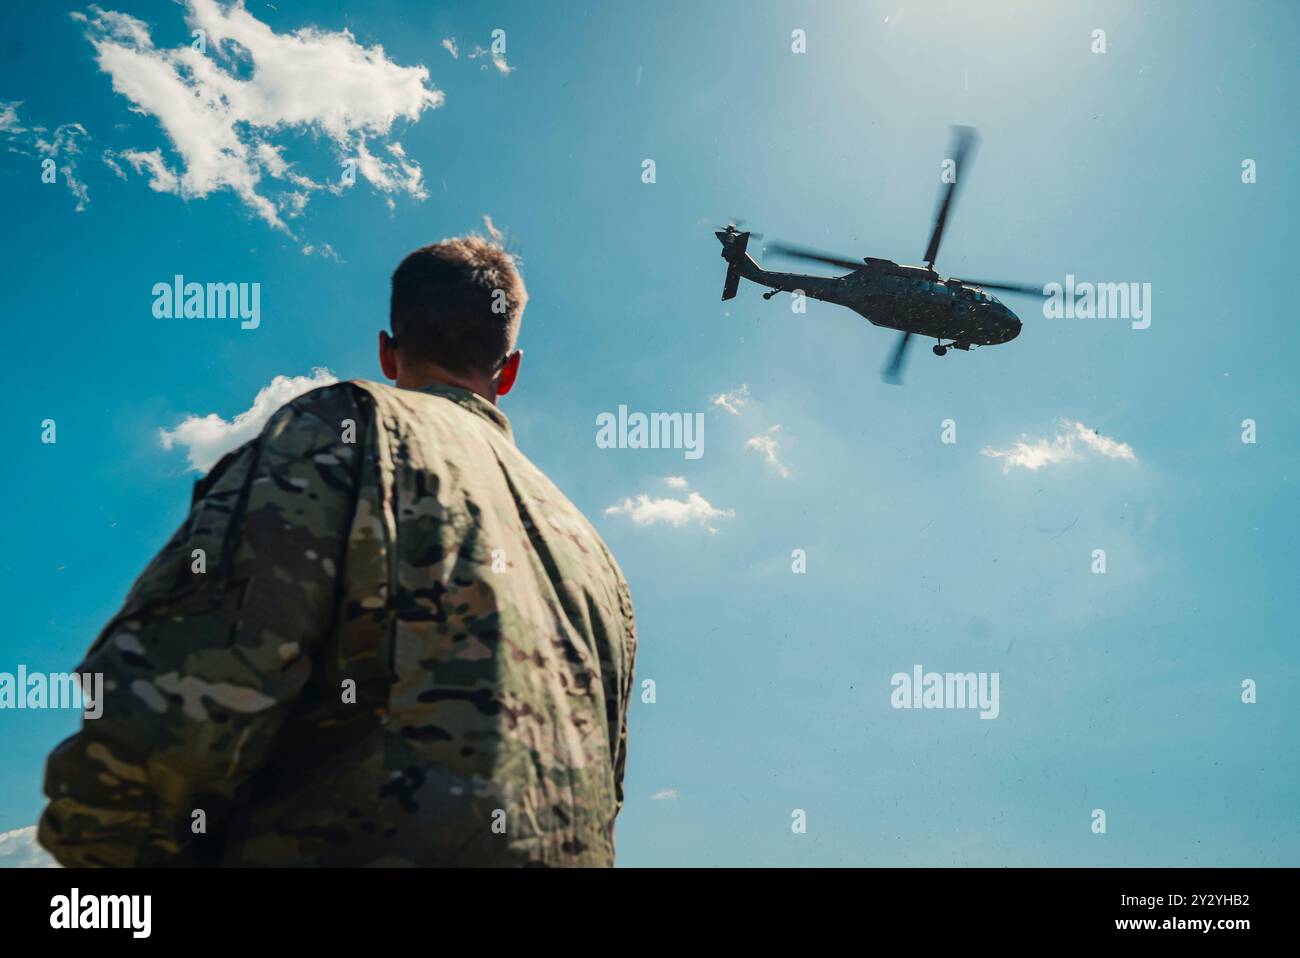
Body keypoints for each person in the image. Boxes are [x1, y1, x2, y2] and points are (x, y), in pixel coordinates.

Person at [39, 235, 637, 866]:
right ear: (509, 371)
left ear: (387, 350)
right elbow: (605, 797)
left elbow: (165, 719)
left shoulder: (349, 429)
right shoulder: (595, 559)